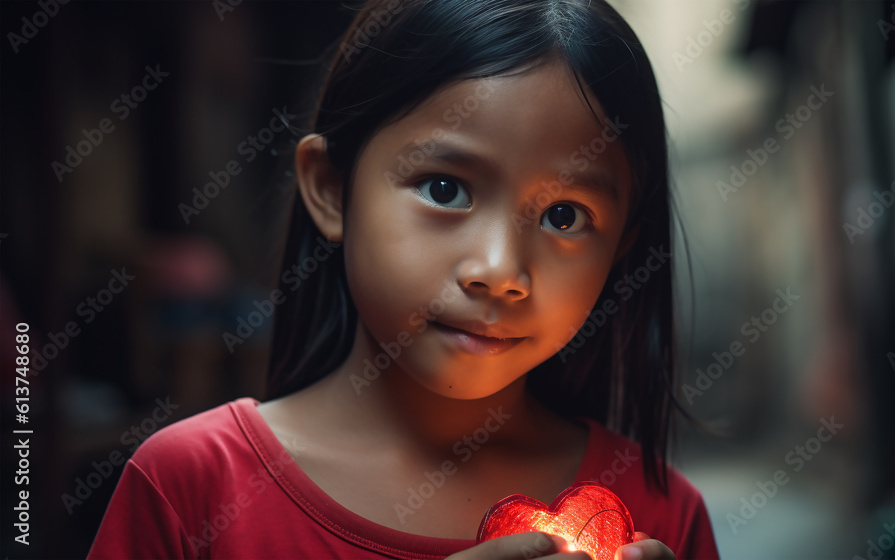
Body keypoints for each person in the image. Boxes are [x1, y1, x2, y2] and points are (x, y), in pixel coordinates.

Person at [88, 0, 720, 558]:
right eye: (445, 190)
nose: (500, 272)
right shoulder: (188, 488)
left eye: (565, 216)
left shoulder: (663, 517)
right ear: (332, 190)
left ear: (619, 251)